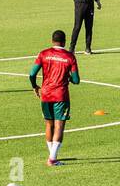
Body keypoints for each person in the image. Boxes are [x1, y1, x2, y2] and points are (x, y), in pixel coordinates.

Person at [29, 29, 81, 167]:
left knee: (49, 124)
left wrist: (35, 86)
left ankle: (52, 155)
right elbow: (76, 80)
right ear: (64, 42)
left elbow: (32, 73)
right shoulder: (69, 57)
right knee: (59, 125)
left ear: (52, 41)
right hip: (60, 95)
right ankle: (52, 159)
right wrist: (69, 77)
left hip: (45, 94)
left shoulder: (44, 54)